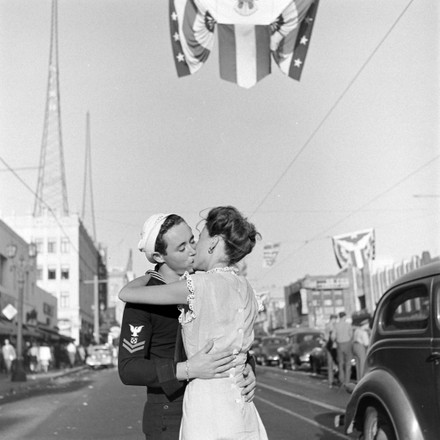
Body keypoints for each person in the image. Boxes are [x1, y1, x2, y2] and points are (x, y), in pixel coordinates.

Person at [120, 206, 268, 440]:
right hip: (170, 415)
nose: (191, 251)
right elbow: (129, 369)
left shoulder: (208, 283)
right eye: (181, 247)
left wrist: (249, 366)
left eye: (192, 240)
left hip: (213, 411)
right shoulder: (145, 299)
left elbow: (228, 339)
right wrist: (187, 369)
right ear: (159, 256)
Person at [334, 311, 353, 388]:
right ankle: (347, 381)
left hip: (339, 344)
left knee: (340, 363)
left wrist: (336, 341)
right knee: (348, 363)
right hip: (347, 343)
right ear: (344, 317)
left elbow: (333, 336)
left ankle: (341, 381)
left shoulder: (336, 325)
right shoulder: (348, 325)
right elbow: (351, 335)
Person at [324, 314, 338, 388]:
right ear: (333, 319)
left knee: (330, 364)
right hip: (334, 346)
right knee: (336, 363)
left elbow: (325, 338)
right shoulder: (332, 326)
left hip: (328, 347)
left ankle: (330, 381)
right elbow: (333, 337)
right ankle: (335, 380)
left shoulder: (326, 326)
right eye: (335, 319)